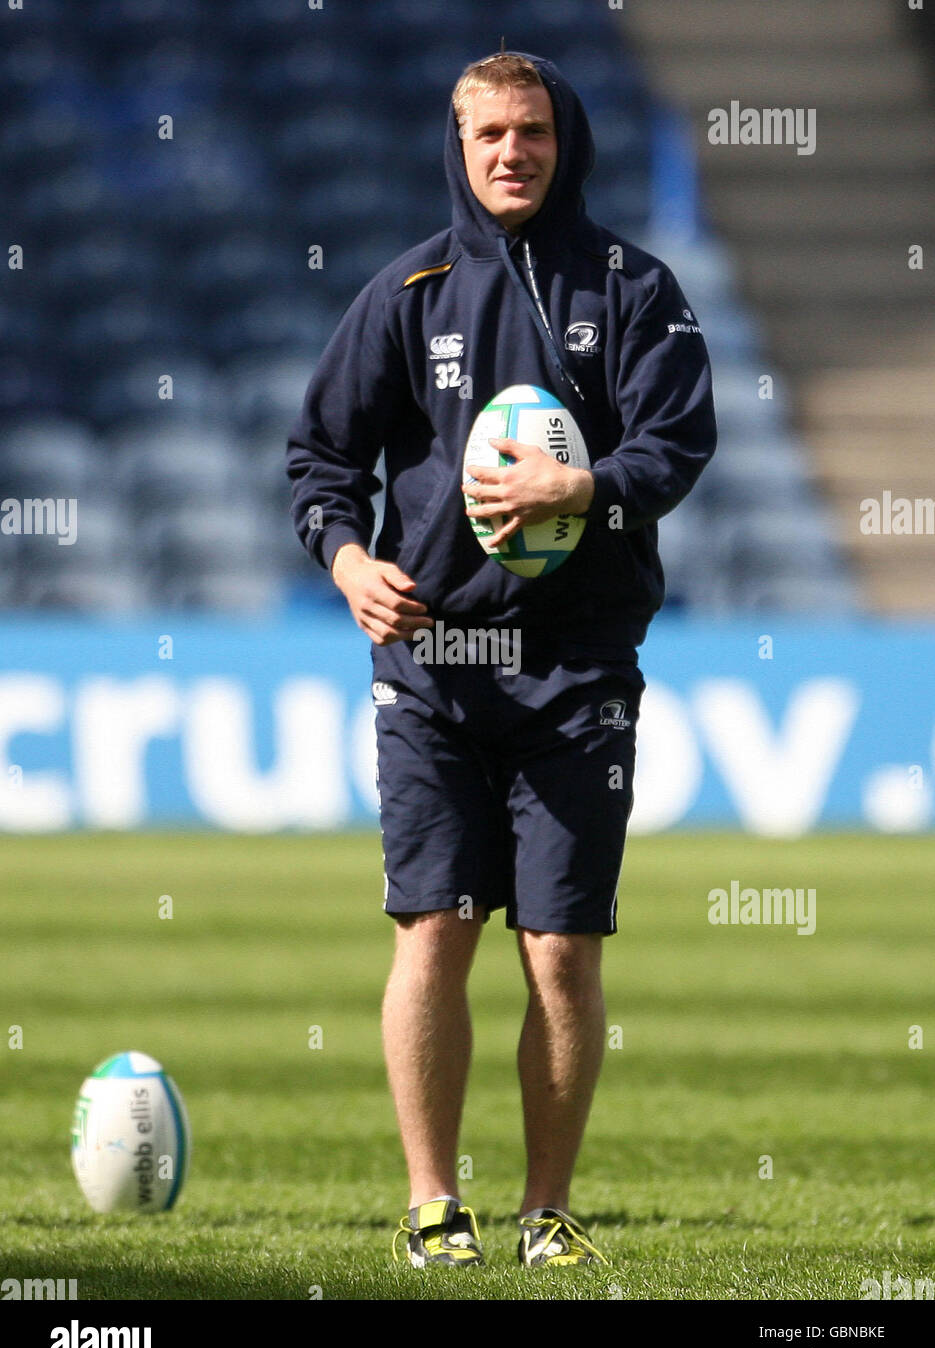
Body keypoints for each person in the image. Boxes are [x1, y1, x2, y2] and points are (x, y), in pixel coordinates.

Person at [287, 51, 716, 1270]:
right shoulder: (405, 291)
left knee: (561, 946)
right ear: (457, 146)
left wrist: (582, 484)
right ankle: (433, 1204)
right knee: (432, 928)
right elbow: (318, 456)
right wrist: (346, 561)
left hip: (577, 667)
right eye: (486, 134)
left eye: (529, 130)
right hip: (431, 666)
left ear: (561, 138)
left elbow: (679, 439)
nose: (509, 153)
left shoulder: (635, 286)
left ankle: (545, 1211)